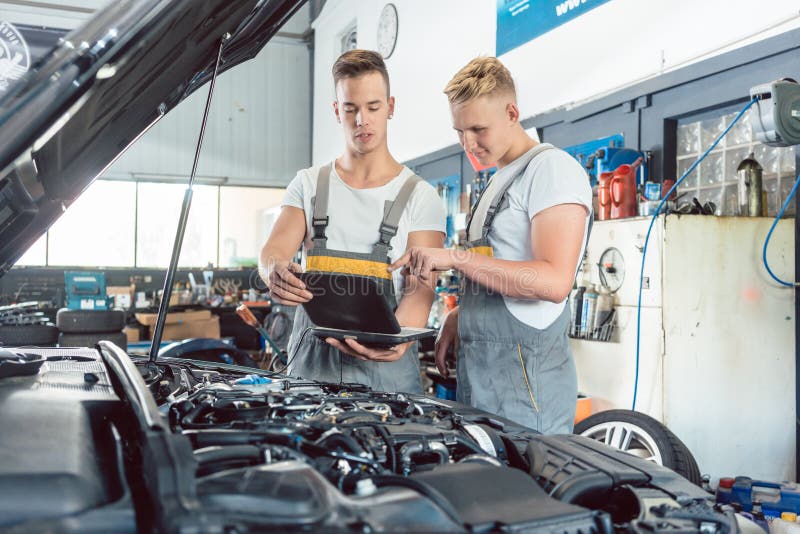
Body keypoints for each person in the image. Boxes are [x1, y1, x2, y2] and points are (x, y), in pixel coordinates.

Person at [389, 57, 592, 433]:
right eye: (459, 131)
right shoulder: (499, 179)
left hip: (528, 391)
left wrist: (453, 258)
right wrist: (461, 314)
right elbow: (501, 265)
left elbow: (553, 282)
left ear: (512, 112)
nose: (468, 143)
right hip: (483, 381)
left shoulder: (551, 170)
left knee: (527, 489)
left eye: (478, 129)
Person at [259, 49, 445, 393]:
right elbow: (274, 251)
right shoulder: (308, 184)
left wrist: (395, 340)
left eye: (373, 107)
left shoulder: (422, 197)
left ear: (391, 107)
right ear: (336, 111)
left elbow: (421, 287)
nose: (362, 120)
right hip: (310, 372)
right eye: (351, 108)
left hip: (386, 375)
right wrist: (272, 270)